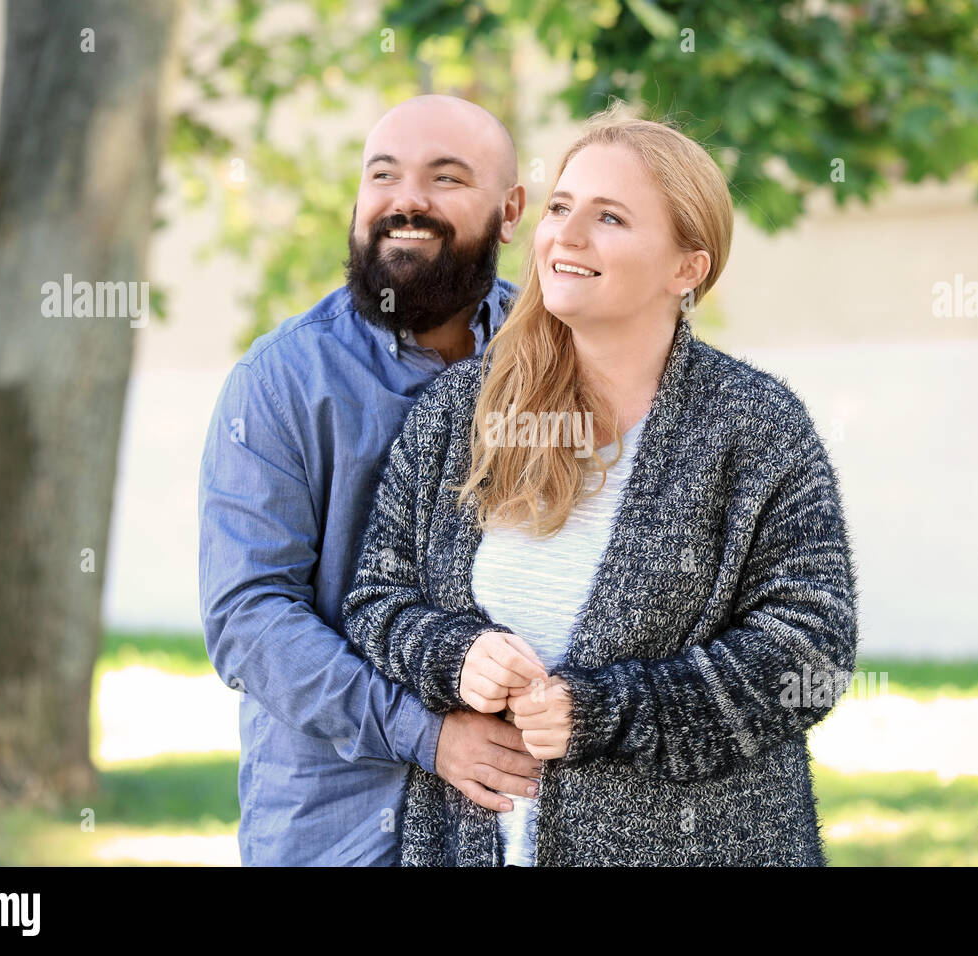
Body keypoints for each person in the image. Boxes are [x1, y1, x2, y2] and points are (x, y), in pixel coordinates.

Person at [342, 102, 860, 866]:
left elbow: (809, 652)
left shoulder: (754, 426)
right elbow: (376, 601)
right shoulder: (461, 412)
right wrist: (456, 656)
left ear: (688, 267)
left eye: (610, 218)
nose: (566, 238)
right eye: (559, 208)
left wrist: (608, 710)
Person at [198, 94, 541, 866]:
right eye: (383, 175)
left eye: (446, 178)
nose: (406, 200)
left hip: (528, 820)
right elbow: (248, 618)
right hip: (340, 827)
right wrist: (429, 736)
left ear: (511, 209)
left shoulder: (553, 360)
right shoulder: (282, 381)